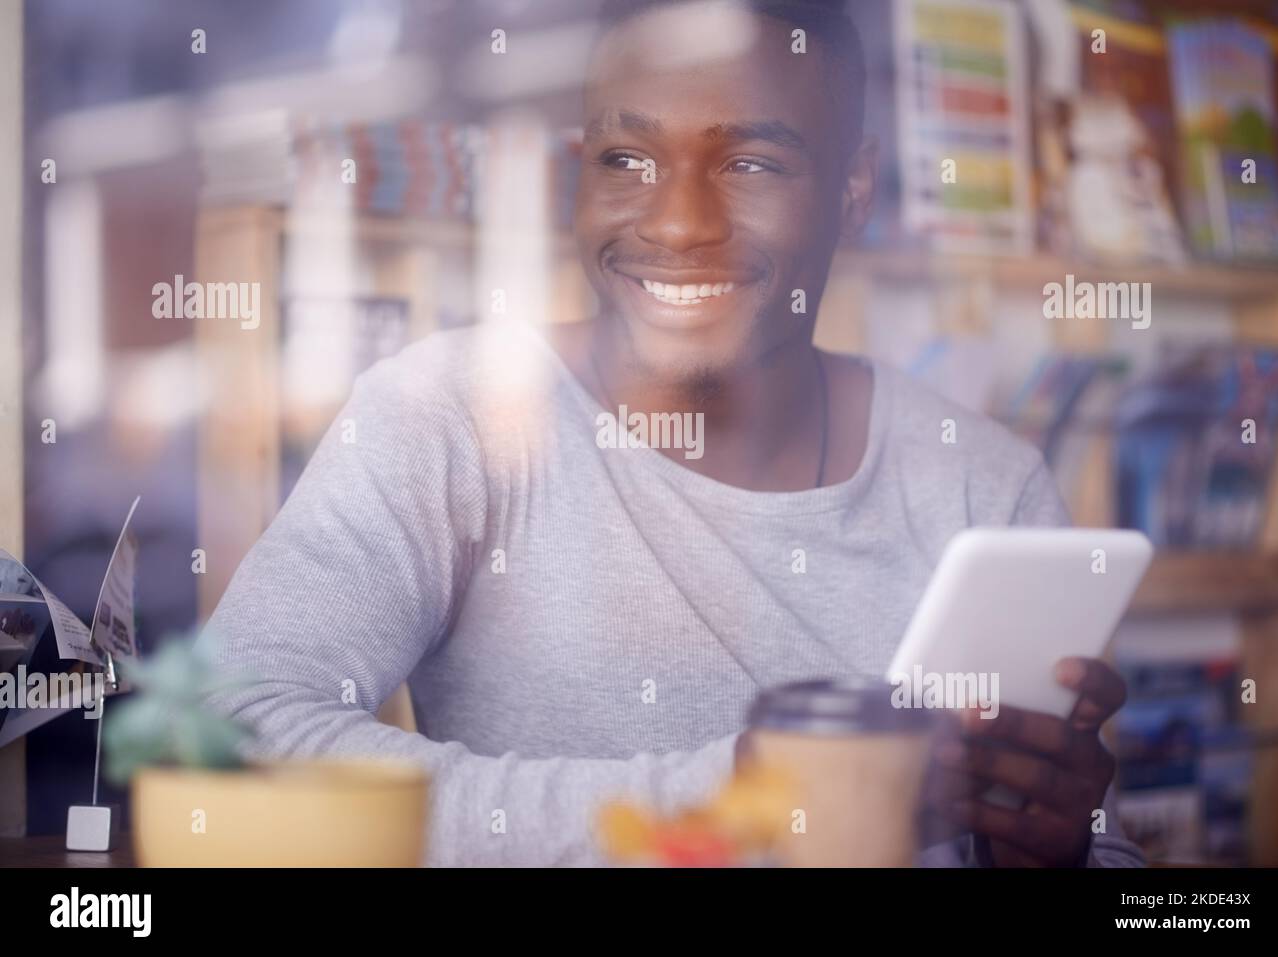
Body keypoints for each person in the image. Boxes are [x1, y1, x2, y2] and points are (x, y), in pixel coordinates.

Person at [206, 0, 1142, 867]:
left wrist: (1053, 855)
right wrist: (748, 796)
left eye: (750, 164)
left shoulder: (985, 485)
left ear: (854, 189)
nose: (679, 221)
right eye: (627, 160)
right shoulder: (448, 413)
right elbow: (229, 737)